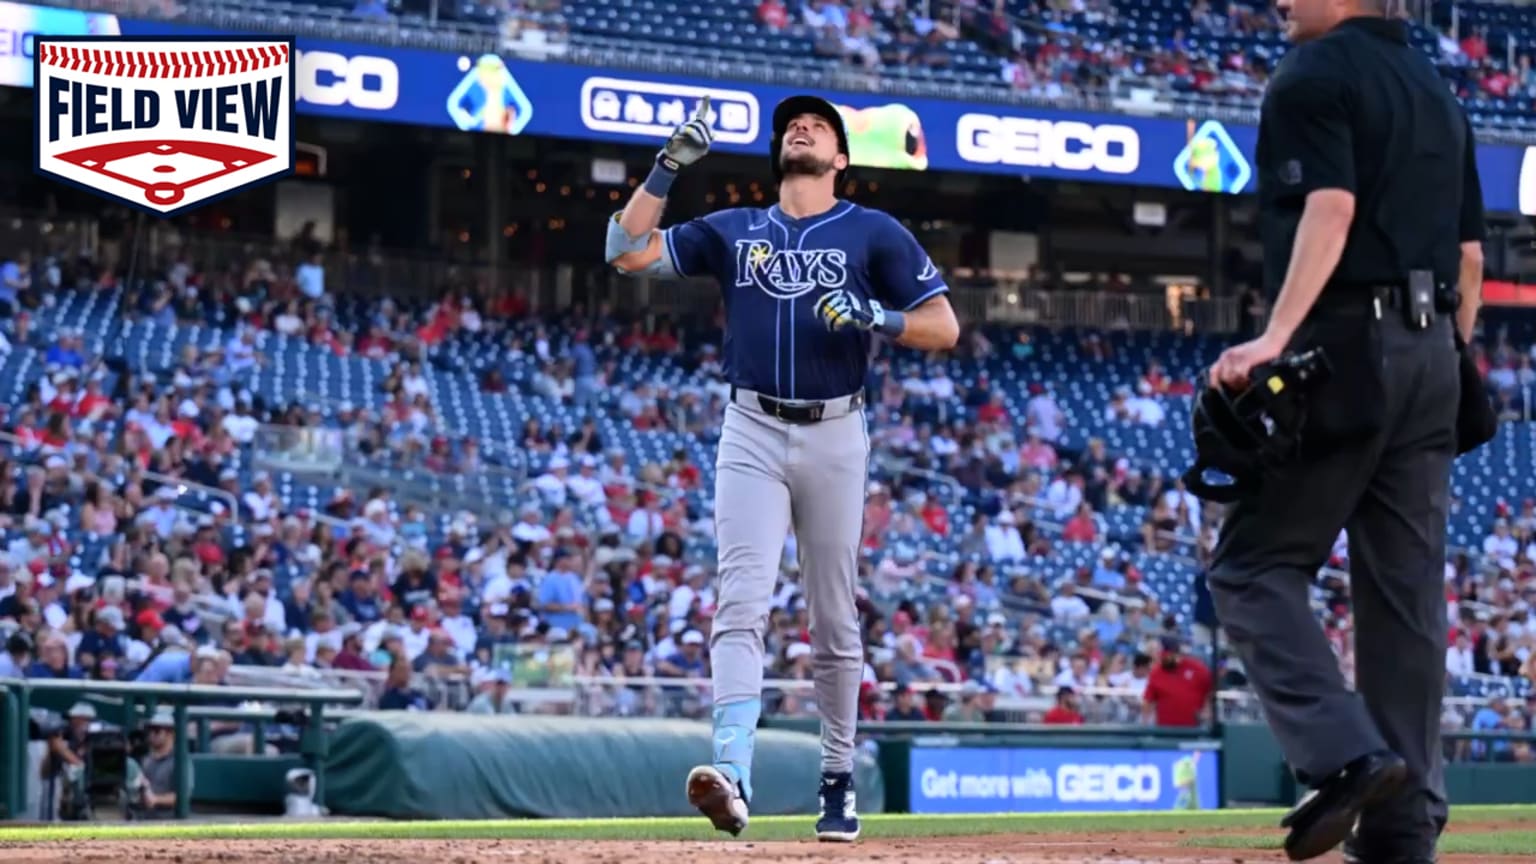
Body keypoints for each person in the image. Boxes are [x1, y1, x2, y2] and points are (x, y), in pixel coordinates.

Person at [605, 93, 960, 841]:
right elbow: (625, 249)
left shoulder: (872, 230)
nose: (801, 127)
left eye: (818, 125)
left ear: (840, 157)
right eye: (793, 125)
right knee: (740, 603)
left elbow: (943, 325)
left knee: (833, 616)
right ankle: (732, 773)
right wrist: (667, 167)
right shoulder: (735, 228)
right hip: (751, 427)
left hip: (836, 431)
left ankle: (838, 776)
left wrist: (878, 317)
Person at [1204, 1, 1485, 861]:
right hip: (1435, 354)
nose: (1281, 0)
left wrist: (1275, 338)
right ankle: (1404, 831)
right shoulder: (1437, 88)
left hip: (1347, 344)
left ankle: (1345, 753)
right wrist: (1445, 357)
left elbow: (1330, 207)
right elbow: (1472, 258)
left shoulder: (1315, 70)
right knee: (1405, 602)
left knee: (1251, 566)